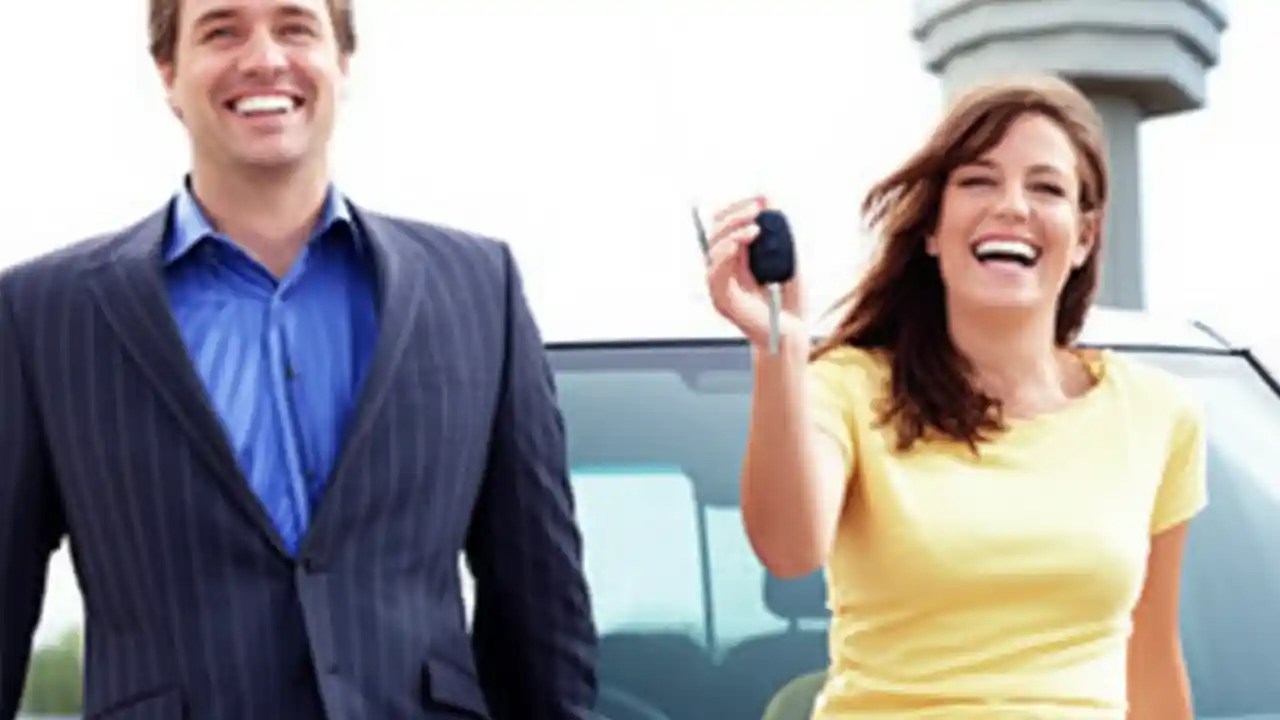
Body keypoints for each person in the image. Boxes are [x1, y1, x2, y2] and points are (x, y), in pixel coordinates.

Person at [0, 0, 597, 718]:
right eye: (222, 30)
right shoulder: (44, 314)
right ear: (168, 72)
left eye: (295, 27)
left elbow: (540, 604)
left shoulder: (479, 290)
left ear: (342, 62)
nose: (264, 58)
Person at [704, 75, 1205, 719]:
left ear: (1083, 237)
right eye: (978, 180)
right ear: (933, 230)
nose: (1013, 206)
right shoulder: (849, 386)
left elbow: (1152, 660)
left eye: (1046, 187)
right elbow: (789, 546)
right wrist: (779, 350)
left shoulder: (1160, 413)